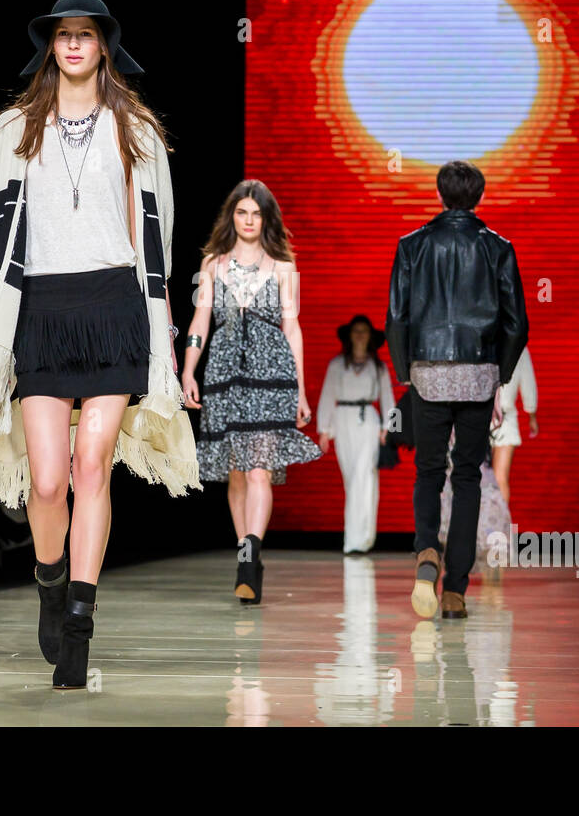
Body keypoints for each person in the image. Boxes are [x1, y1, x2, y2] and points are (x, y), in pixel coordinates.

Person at [0, 0, 198, 690]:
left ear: (103, 46)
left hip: (114, 302)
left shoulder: (138, 130)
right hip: (39, 306)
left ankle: (81, 623)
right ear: (51, 46)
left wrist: (161, 316)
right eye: (62, 35)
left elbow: (155, 233)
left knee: (92, 463)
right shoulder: (14, 129)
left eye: (84, 35)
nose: (72, 45)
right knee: (49, 476)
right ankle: (48, 579)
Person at [386, 161, 528, 620]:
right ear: (479, 197)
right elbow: (517, 324)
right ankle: (456, 590)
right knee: (467, 478)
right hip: (478, 373)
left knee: (428, 473)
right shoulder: (498, 248)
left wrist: (406, 372)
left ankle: (427, 552)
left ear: (441, 194)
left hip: (428, 372)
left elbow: (397, 317)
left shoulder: (413, 245)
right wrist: (500, 374)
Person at [181, 179, 323, 603]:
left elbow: (292, 328)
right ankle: (247, 554)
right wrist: (188, 371)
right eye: (242, 212)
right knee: (237, 472)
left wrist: (298, 389)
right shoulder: (212, 264)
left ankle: (248, 556)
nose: (248, 220)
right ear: (232, 216)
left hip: (271, 372)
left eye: (256, 214)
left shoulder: (283, 267)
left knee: (259, 467)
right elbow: (200, 322)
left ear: (266, 219)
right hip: (224, 372)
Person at [316, 314, 396, 553]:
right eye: (356, 330)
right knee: (352, 478)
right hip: (343, 421)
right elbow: (327, 396)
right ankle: (356, 538)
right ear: (349, 335)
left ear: (370, 336)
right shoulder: (337, 365)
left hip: (369, 421)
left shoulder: (377, 366)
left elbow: (388, 397)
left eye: (364, 330)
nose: (360, 335)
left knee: (365, 476)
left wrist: (388, 429)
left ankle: (359, 540)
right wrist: (324, 430)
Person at [489, 344, 538, 507]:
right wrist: (531, 415)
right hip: (505, 417)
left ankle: (479, 526)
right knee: (500, 477)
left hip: (477, 416)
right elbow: (528, 382)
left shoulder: (479, 338)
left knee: (475, 477)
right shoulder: (519, 348)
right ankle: (498, 527)